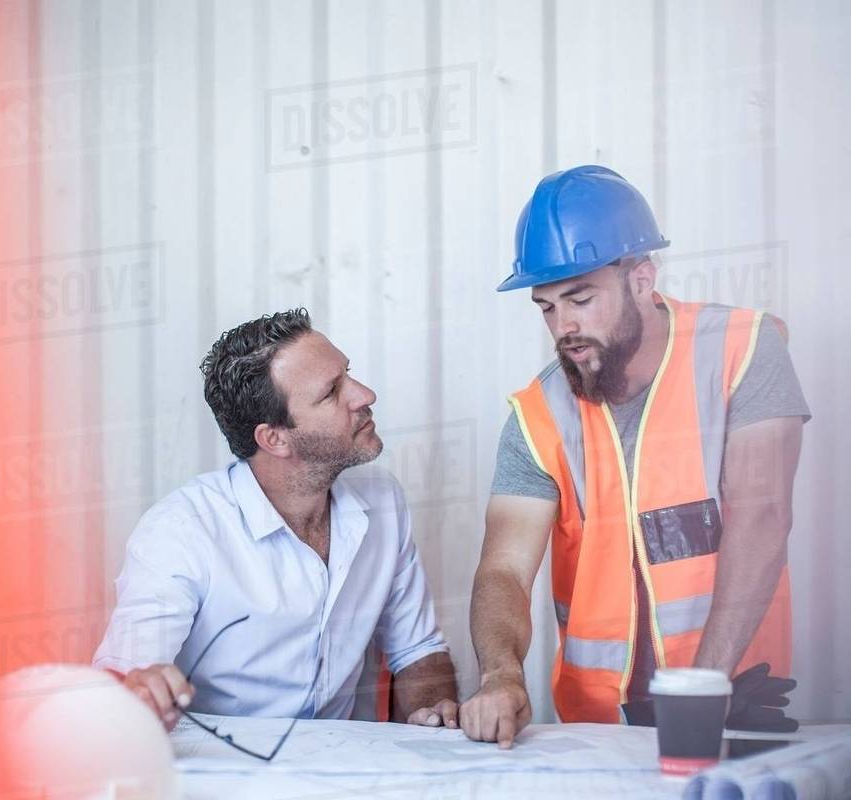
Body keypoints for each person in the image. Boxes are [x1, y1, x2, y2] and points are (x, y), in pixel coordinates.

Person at [460, 165, 810, 747]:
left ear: (642, 279)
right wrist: (501, 675)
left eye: (580, 298)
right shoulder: (537, 412)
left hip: (736, 698)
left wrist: (706, 687)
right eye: (545, 306)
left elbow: (763, 517)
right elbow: (504, 569)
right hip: (600, 723)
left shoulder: (743, 349)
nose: (563, 326)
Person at [93, 308, 458, 731]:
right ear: (275, 438)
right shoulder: (182, 530)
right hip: (224, 776)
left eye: (349, 374)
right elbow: (125, 676)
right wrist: (135, 690)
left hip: (346, 774)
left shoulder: (383, 501)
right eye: (331, 392)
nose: (365, 395)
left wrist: (435, 712)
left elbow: (418, 649)